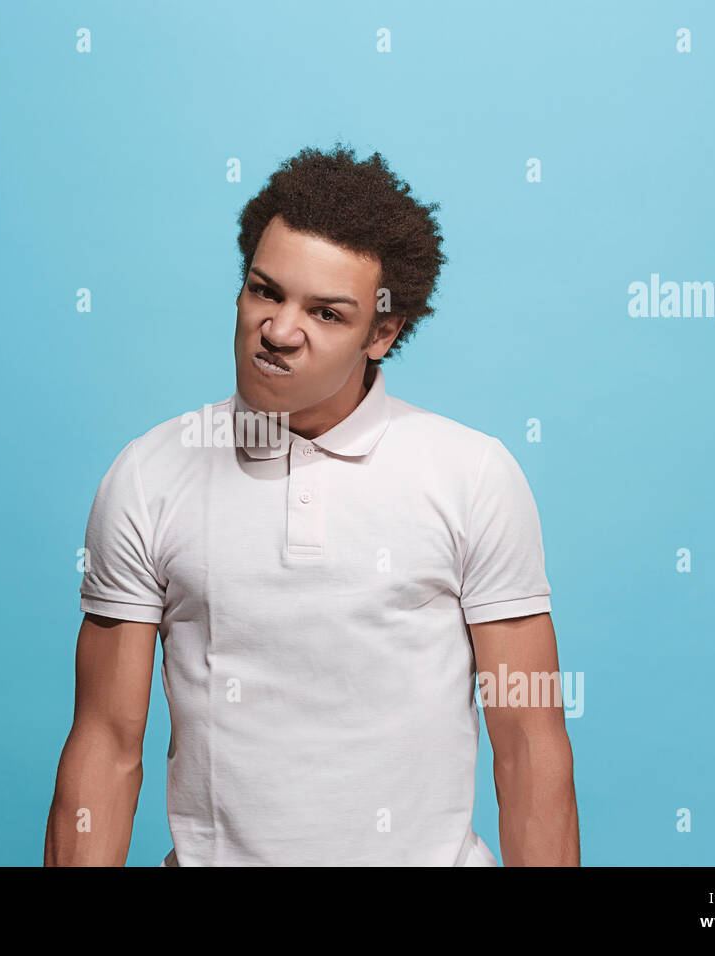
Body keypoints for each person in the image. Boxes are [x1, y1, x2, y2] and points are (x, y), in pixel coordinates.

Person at [44, 143, 579, 866]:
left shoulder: (473, 474)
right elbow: (104, 745)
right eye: (266, 291)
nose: (280, 330)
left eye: (326, 313)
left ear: (382, 334)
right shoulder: (149, 475)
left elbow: (529, 744)